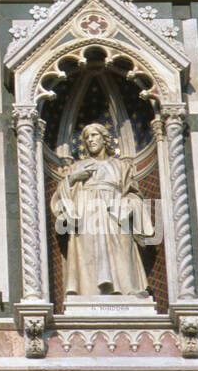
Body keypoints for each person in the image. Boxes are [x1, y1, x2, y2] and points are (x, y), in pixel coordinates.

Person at [51, 122, 152, 297]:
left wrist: (127, 205)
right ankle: (88, 293)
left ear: (105, 139)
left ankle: (128, 289)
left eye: (94, 135)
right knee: (89, 254)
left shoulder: (121, 167)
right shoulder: (77, 167)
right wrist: (73, 178)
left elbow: (135, 195)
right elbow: (61, 194)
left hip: (116, 213)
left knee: (122, 250)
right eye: (86, 137)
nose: (90, 140)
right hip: (87, 216)